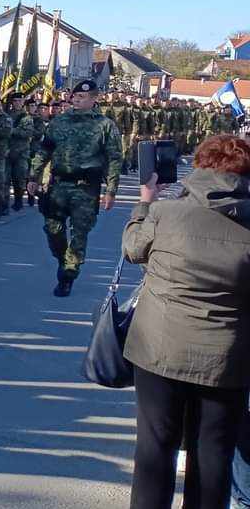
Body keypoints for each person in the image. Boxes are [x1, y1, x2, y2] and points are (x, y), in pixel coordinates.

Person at [123, 134, 250, 509]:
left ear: (200, 167)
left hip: (160, 350)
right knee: (213, 453)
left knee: (155, 447)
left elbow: (133, 248)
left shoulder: (167, 214)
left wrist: (145, 205)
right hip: (227, 358)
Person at [27, 78, 122, 297]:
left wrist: (111, 190)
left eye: (81, 97)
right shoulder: (59, 121)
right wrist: (34, 175)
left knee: (79, 234)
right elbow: (44, 150)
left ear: (93, 99)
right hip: (58, 186)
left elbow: (114, 158)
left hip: (86, 189)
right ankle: (64, 260)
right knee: (53, 230)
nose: (75, 100)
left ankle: (68, 276)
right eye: (74, 96)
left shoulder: (104, 125)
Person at [6, 94, 33, 213]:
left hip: (21, 153)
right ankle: (4, 203)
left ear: (23, 102)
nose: (16, 103)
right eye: (14, 101)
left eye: (19, 101)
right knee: (5, 179)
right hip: (7, 152)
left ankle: (18, 200)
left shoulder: (27, 118)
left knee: (19, 178)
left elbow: (27, 133)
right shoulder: (7, 115)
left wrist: (11, 131)